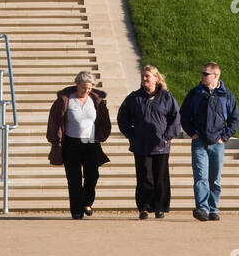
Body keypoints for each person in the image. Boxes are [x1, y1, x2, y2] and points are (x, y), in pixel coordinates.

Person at [117, 65, 182, 219]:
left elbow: (176, 117)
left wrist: (168, 136)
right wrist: (132, 135)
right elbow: (122, 118)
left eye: (147, 76)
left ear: (156, 78)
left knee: (160, 177)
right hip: (141, 145)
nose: (144, 79)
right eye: (142, 76)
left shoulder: (166, 97)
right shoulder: (134, 97)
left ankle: (160, 207)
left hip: (161, 145)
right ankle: (144, 207)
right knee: (144, 176)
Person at [179, 61, 239, 221]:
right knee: (200, 177)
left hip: (217, 143)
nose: (202, 76)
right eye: (202, 73)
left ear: (216, 76)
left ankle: (213, 208)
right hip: (199, 141)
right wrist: (192, 132)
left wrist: (224, 136)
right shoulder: (195, 93)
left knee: (215, 178)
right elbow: (184, 115)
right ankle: (202, 209)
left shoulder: (226, 96)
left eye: (205, 74)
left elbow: (235, 119)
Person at [46, 71, 111, 219]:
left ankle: (87, 202)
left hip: (90, 143)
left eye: (89, 88)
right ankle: (76, 210)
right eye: (83, 88)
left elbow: (104, 120)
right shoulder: (65, 100)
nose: (86, 91)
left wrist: (101, 136)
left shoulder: (96, 100)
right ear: (77, 85)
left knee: (92, 175)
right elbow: (54, 120)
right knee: (74, 178)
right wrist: (55, 140)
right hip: (71, 143)